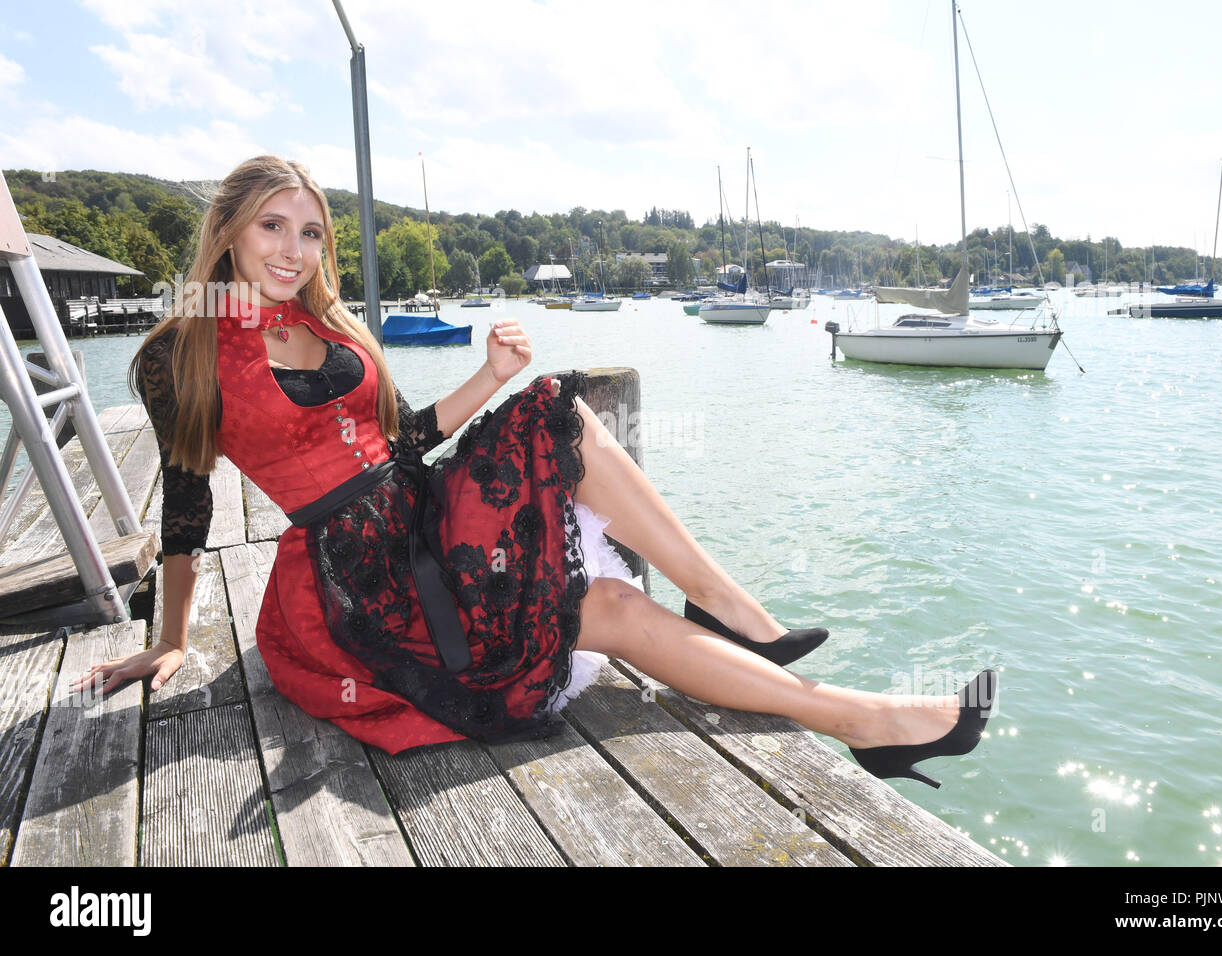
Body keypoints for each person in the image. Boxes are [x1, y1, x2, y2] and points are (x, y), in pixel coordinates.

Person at [76, 155, 995, 788]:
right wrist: (170, 640)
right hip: (355, 579)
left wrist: (489, 378)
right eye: (272, 226)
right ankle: (860, 719)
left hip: (421, 511)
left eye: (312, 233)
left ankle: (735, 610)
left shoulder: (328, 326)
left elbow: (397, 441)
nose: (293, 250)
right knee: (608, 608)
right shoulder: (179, 354)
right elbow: (189, 506)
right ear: (228, 229)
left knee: (558, 407)